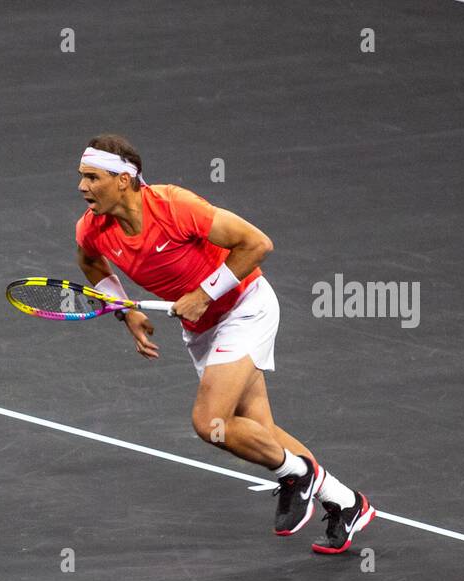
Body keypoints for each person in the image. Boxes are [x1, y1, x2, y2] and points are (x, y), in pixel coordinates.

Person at [74, 133, 374, 554]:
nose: (83, 187)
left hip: (246, 308)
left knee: (209, 422)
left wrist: (203, 294)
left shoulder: (176, 206)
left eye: (92, 177)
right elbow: (90, 261)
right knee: (258, 432)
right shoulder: (93, 228)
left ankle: (296, 475)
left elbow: (257, 244)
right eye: (81, 178)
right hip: (203, 329)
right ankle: (346, 503)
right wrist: (125, 309)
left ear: (124, 179)